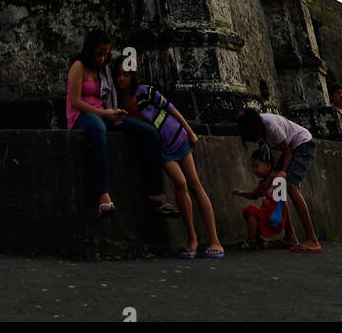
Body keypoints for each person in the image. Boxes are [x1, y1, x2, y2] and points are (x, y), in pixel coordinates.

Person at [112, 60, 224, 258]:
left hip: (177, 137)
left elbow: (171, 108)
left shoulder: (145, 91)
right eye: (118, 74)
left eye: (125, 74)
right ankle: (192, 237)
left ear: (133, 76)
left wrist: (190, 131)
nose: (121, 78)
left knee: (195, 185)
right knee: (180, 183)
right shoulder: (118, 103)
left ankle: (215, 240)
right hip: (160, 148)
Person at [66, 30, 178, 218]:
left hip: (105, 112)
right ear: (90, 51)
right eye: (99, 53)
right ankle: (103, 194)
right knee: (98, 128)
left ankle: (156, 194)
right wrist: (104, 113)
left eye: (106, 53)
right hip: (82, 115)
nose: (103, 58)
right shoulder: (78, 67)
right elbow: (75, 101)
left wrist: (115, 112)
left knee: (148, 132)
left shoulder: (102, 69)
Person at [237, 107, 322, 253]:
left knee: (290, 186)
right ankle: (290, 236)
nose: (255, 139)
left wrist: (282, 172)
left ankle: (312, 239)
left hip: (302, 144)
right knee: (278, 188)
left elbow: (288, 153)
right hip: (291, 149)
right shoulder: (257, 129)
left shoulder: (270, 125)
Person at [233, 150, 290, 248]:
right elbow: (253, 195)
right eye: (253, 167)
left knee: (252, 211)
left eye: (256, 166)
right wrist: (241, 193)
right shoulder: (262, 184)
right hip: (267, 213)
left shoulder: (274, 177)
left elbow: (283, 174)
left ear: (268, 166)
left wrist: (272, 188)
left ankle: (252, 240)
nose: (254, 170)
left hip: (275, 215)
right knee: (248, 212)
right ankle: (257, 239)